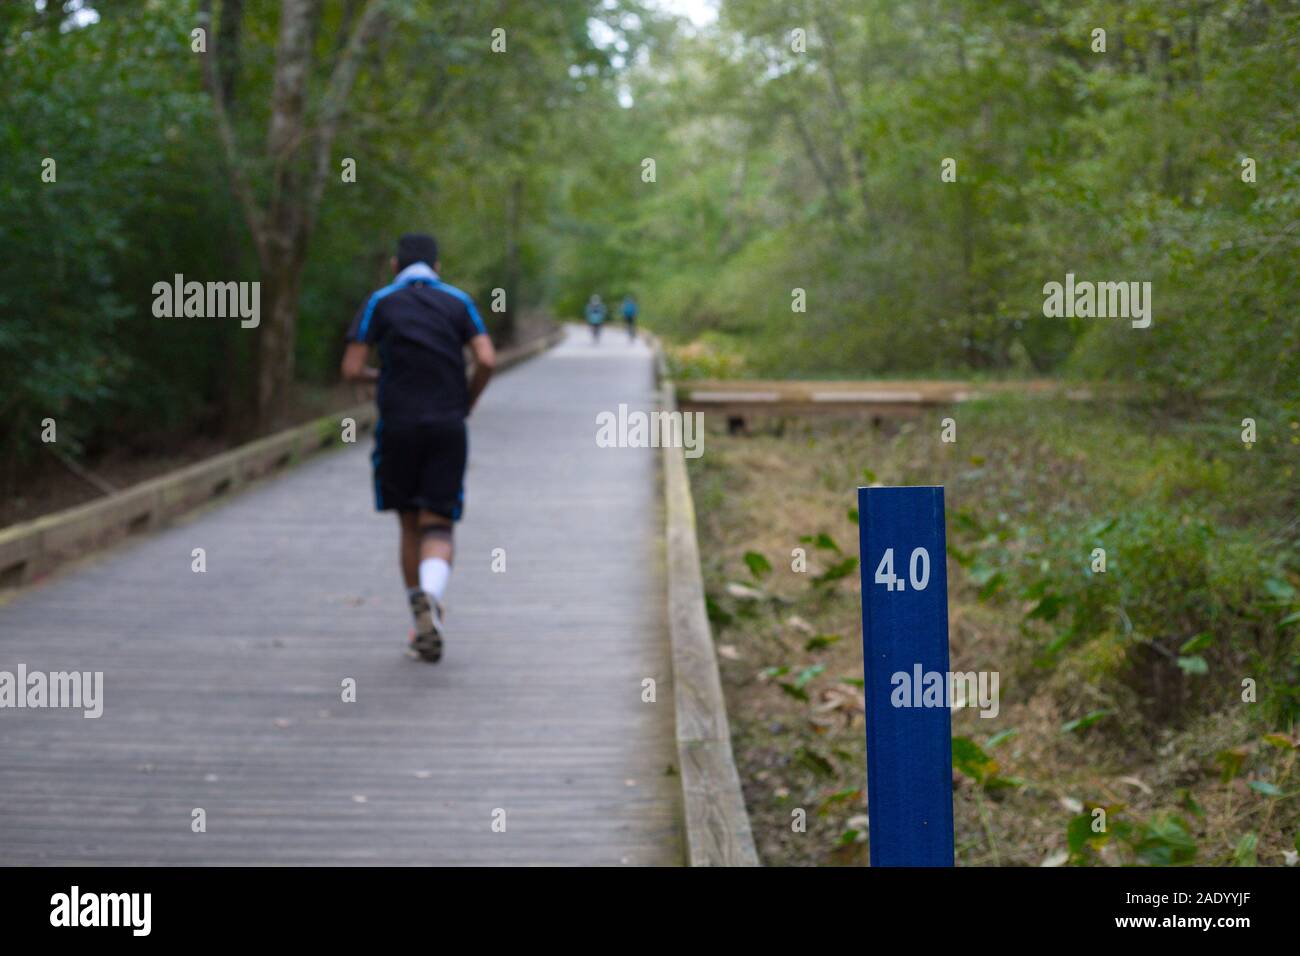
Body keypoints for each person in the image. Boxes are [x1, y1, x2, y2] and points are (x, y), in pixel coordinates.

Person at [340, 232, 496, 663]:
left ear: (394, 265)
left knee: (410, 523)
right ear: (438, 267)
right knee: (439, 524)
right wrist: (468, 398)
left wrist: (385, 376)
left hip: (399, 427)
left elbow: (352, 368)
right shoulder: (459, 302)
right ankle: (432, 596)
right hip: (447, 423)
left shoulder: (380, 302)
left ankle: (419, 616)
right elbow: (486, 358)